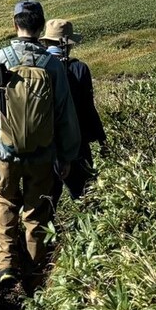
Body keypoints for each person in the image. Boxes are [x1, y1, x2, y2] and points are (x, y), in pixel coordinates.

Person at [0, 0, 81, 290]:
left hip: (5, 152)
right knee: (37, 214)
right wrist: (67, 155)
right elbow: (64, 114)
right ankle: (36, 279)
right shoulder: (52, 64)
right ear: (39, 27)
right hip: (43, 154)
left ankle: (7, 264)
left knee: (6, 202)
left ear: (15, 24)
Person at [43, 18, 106, 199]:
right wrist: (101, 139)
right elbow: (88, 109)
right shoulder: (79, 69)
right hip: (76, 142)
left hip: (43, 145)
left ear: (46, 42)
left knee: (46, 201)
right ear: (69, 44)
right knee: (86, 194)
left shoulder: (36, 67)